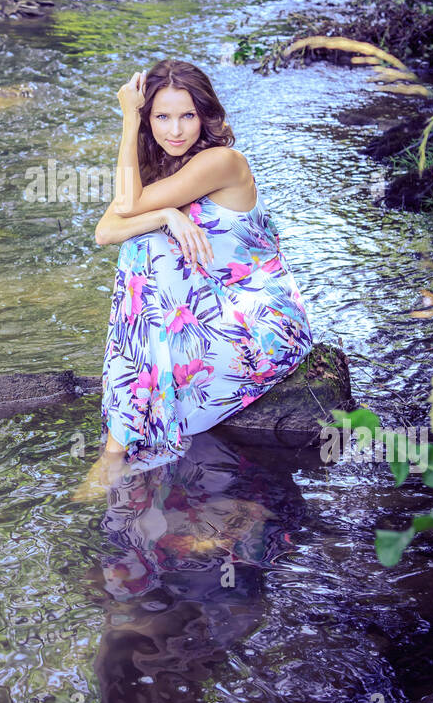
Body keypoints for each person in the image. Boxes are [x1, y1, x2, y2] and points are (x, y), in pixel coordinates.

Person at [83, 58, 313, 492]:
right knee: (146, 241)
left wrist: (129, 120)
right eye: (161, 116)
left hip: (261, 321)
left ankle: (115, 451)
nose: (175, 130)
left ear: (205, 115)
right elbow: (104, 231)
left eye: (187, 115)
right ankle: (121, 444)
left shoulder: (222, 162)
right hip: (212, 309)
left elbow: (127, 210)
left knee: (148, 245)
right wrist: (168, 213)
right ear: (149, 120)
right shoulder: (162, 169)